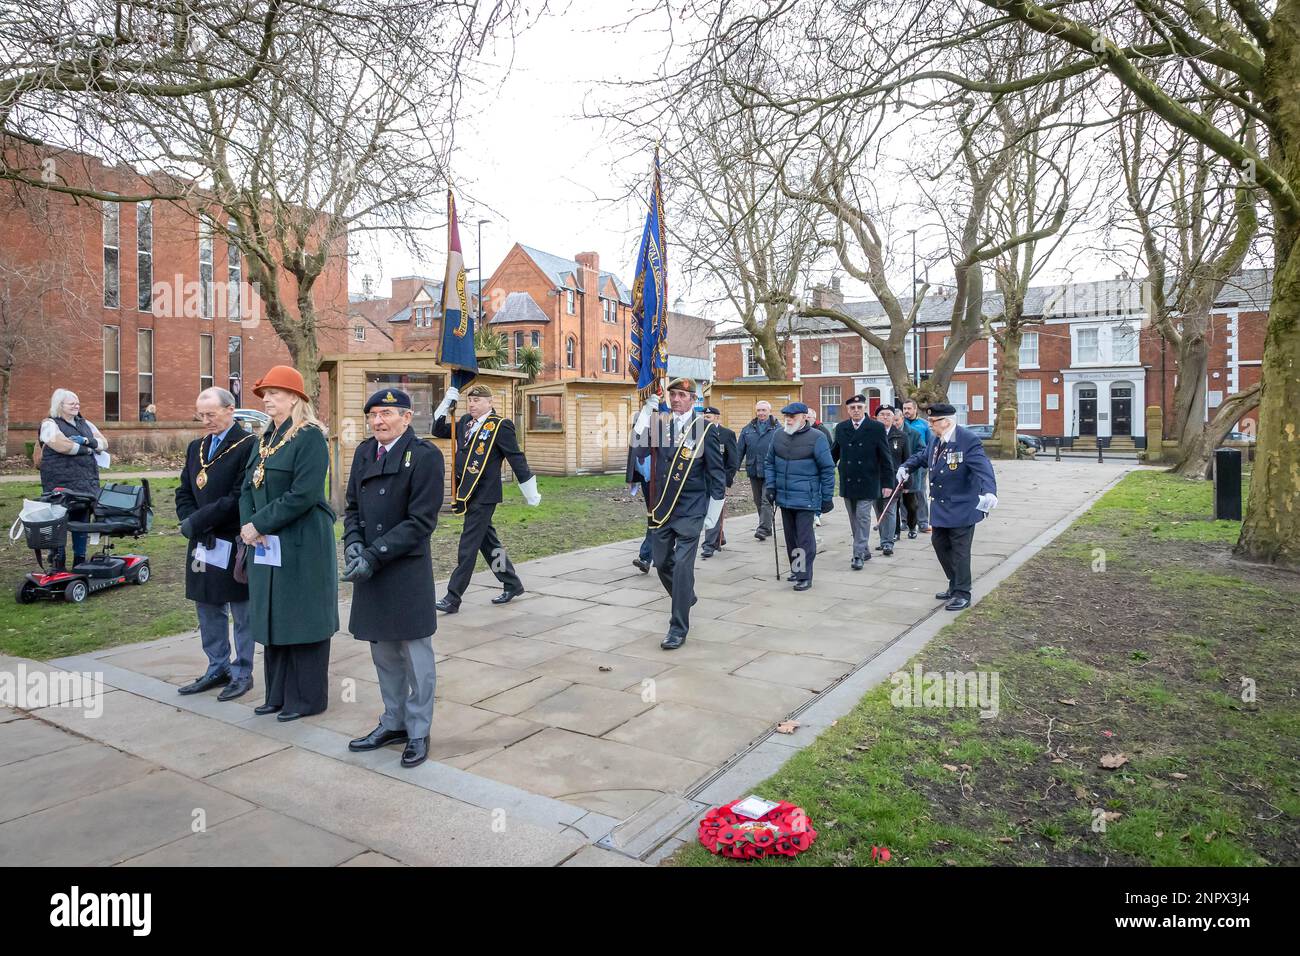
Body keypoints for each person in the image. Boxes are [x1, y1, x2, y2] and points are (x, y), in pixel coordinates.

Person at [343, 388, 444, 769]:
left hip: (403, 569)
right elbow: (351, 506)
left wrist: (373, 554)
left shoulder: (424, 457)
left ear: (407, 416)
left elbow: (421, 522)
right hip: (370, 569)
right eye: (372, 415)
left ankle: (418, 730)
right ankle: (394, 721)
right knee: (383, 653)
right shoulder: (365, 452)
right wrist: (353, 544)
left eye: (386, 413)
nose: (378, 421)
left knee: (416, 656)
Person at [239, 365, 339, 721]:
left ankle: (306, 699)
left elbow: (304, 494)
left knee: (302, 618)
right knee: (273, 618)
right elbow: (246, 489)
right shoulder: (264, 439)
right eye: (264, 395)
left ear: (295, 398)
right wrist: (249, 525)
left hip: (301, 543)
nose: (267, 400)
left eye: (274, 394)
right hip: (266, 544)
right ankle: (277, 695)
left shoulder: (309, 436)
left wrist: (260, 523)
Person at [175, 387, 257, 701]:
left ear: (230, 410)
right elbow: (184, 490)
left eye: (211, 414)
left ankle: (242, 671)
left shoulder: (248, 445)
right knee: (207, 604)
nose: (206, 420)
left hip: (232, 537)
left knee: (241, 609)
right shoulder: (197, 446)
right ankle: (217, 665)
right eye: (202, 415)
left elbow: (239, 496)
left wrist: (199, 521)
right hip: (202, 540)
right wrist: (189, 520)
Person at [633, 377, 725, 649]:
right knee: (662, 563)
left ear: (693, 400)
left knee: (683, 567)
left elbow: (717, 475)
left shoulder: (704, 431)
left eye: (682, 395)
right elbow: (637, 444)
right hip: (663, 509)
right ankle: (685, 596)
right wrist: (648, 410)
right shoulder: (661, 425)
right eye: (672, 395)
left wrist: (713, 514)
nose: (676, 399)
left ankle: (678, 628)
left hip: (691, 511)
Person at [432, 383, 541, 613]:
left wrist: (530, 489)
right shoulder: (463, 423)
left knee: (467, 546)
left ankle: (453, 598)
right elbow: (437, 429)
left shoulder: (500, 426)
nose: (472, 404)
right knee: (488, 542)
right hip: (467, 492)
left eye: (477, 401)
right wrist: (446, 402)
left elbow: (516, 457)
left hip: (485, 495)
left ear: (490, 403)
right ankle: (512, 583)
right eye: (469, 401)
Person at [898, 402, 998, 611]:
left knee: (960, 551)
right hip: (941, 507)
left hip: (963, 506)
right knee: (940, 544)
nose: (930, 425)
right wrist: (906, 466)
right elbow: (922, 457)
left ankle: (963, 592)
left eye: (933, 421)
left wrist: (990, 491)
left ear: (947, 422)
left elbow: (983, 467)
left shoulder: (967, 440)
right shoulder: (936, 440)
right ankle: (955, 584)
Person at [764, 402, 835, 591]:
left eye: (792, 417)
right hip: (784, 496)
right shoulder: (778, 435)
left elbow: (828, 469)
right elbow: (769, 462)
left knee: (804, 538)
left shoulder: (817, 438)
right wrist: (770, 486)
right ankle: (796, 569)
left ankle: (804, 575)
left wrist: (827, 497)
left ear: (804, 417)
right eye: (786, 417)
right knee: (791, 538)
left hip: (806, 497)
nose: (788, 420)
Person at [37, 389, 107, 570]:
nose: (77, 406)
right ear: (60, 405)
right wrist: (89, 448)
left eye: (77, 403)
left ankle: (80, 560)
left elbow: (104, 443)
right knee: (58, 521)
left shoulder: (85, 423)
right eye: (72, 403)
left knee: (82, 520)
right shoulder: (49, 424)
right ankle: (58, 561)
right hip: (59, 484)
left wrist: (85, 440)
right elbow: (61, 446)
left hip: (86, 483)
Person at [832, 394, 894, 570]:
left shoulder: (876, 428)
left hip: (868, 481)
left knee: (863, 517)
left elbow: (885, 457)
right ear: (848, 410)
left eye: (859, 407)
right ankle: (864, 548)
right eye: (852, 408)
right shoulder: (841, 428)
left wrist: (888, 484)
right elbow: (834, 453)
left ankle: (857, 554)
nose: (856, 410)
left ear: (865, 408)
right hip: (848, 481)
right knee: (853, 519)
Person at [873, 405, 921, 556]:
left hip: (894, 480)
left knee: (890, 510)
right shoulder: (870, 435)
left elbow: (907, 460)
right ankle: (883, 539)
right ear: (876, 417)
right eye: (882, 414)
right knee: (879, 509)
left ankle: (888, 542)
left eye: (888, 414)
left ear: (894, 418)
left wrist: (908, 483)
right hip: (874, 480)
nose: (885, 417)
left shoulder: (901, 437)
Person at [699, 406, 739, 559]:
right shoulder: (697, 432)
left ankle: (709, 545)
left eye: (708, 417)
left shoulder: (727, 434)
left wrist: (725, 480)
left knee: (714, 511)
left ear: (716, 418)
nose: (705, 419)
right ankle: (718, 536)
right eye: (704, 416)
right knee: (704, 510)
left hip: (717, 480)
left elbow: (732, 460)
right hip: (701, 479)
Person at [737, 401, 780, 541]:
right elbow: (739, 451)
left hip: (771, 471)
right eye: (759, 410)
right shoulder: (747, 429)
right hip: (753, 470)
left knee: (766, 500)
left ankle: (763, 528)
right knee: (757, 501)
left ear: (769, 411)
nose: (761, 413)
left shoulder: (778, 429)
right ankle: (767, 526)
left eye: (763, 410)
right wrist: (732, 470)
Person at [901, 398, 933, 534]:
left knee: (920, 492)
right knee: (903, 492)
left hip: (920, 465)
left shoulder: (924, 425)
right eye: (904, 409)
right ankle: (904, 521)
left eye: (909, 408)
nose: (906, 411)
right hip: (904, 463)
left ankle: (923, 522)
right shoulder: (900, 424)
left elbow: (930, 444)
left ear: (915, 409)